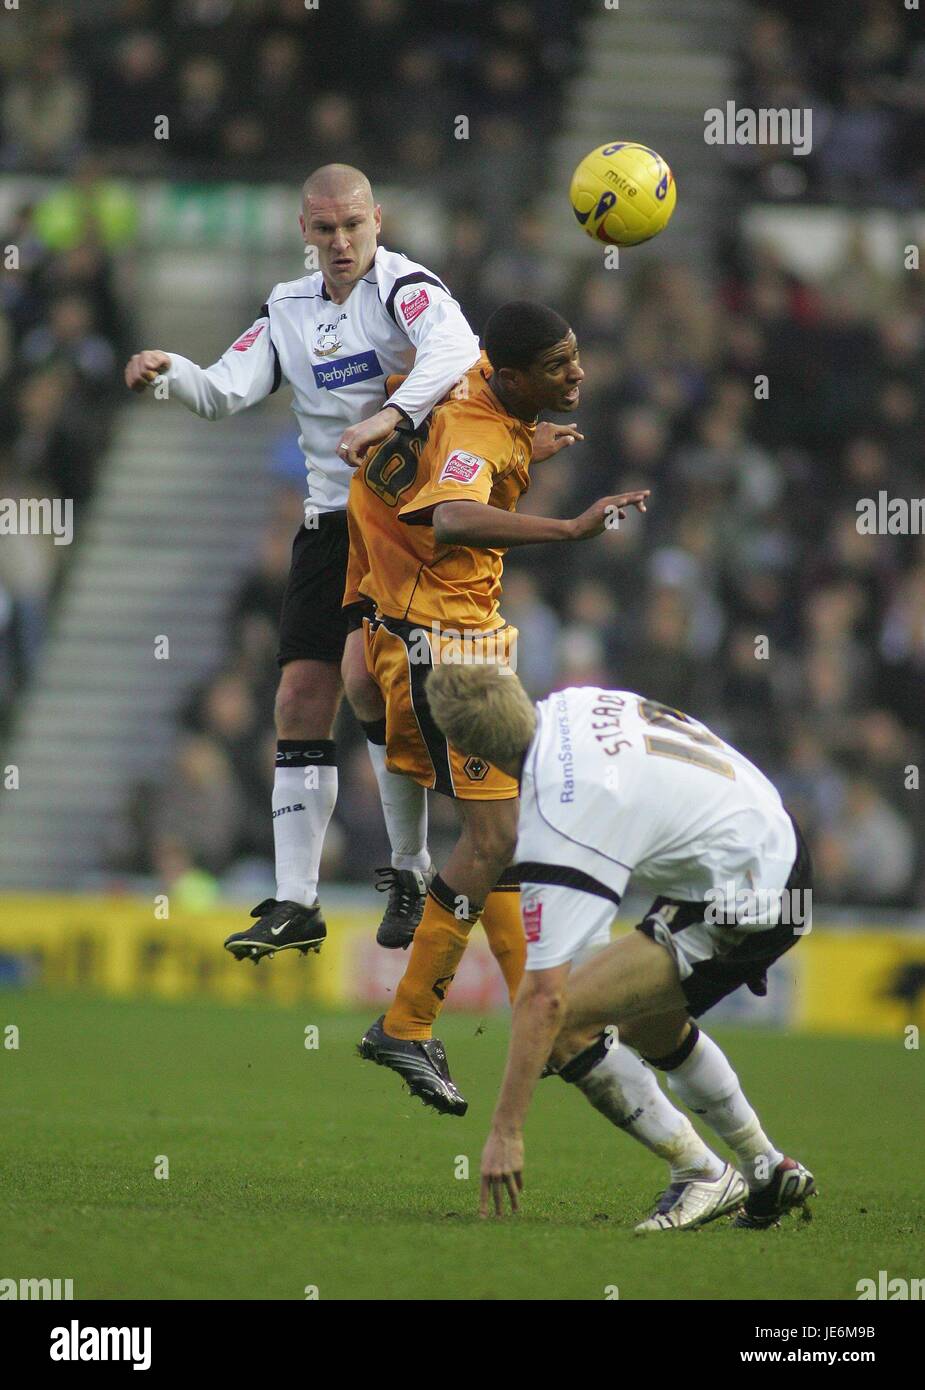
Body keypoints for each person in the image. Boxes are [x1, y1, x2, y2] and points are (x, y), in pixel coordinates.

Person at [124, 164, 481, 957]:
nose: (341, 241)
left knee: (363, 677)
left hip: (400, 524)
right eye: (324, 229)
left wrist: (389, 418)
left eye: (353, 225)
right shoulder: (287, 309)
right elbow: (223, 390)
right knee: (297, 698)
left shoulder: (407, 290)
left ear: (377, 220)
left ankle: (411, 867)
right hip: (329, 526)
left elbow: (458, 350)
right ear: (304, 233)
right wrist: (169, 373)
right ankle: (296, 900)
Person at [347, 300, 649, 1113]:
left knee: (501, 835)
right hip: (445, 645)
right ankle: (406, 1025)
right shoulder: (479, 428)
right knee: (497, 834)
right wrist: (567, 528)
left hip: (444, 629)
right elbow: (449, 515)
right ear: (512, 375)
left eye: (575, 356)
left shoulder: (463, 376)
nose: (577, 372)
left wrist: (523, 445)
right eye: (558, 366)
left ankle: (537, 1014)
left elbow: (428, 453)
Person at [426, 662, 817, 1232]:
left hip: (749, 892)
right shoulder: (575, 702)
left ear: (465, 747)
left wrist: (505, 1130)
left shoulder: (560, 819)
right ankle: (766, 1169)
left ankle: (701, 1173)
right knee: (644, 1024)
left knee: (564, 1026)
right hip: (765, 840)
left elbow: (544, 1000)